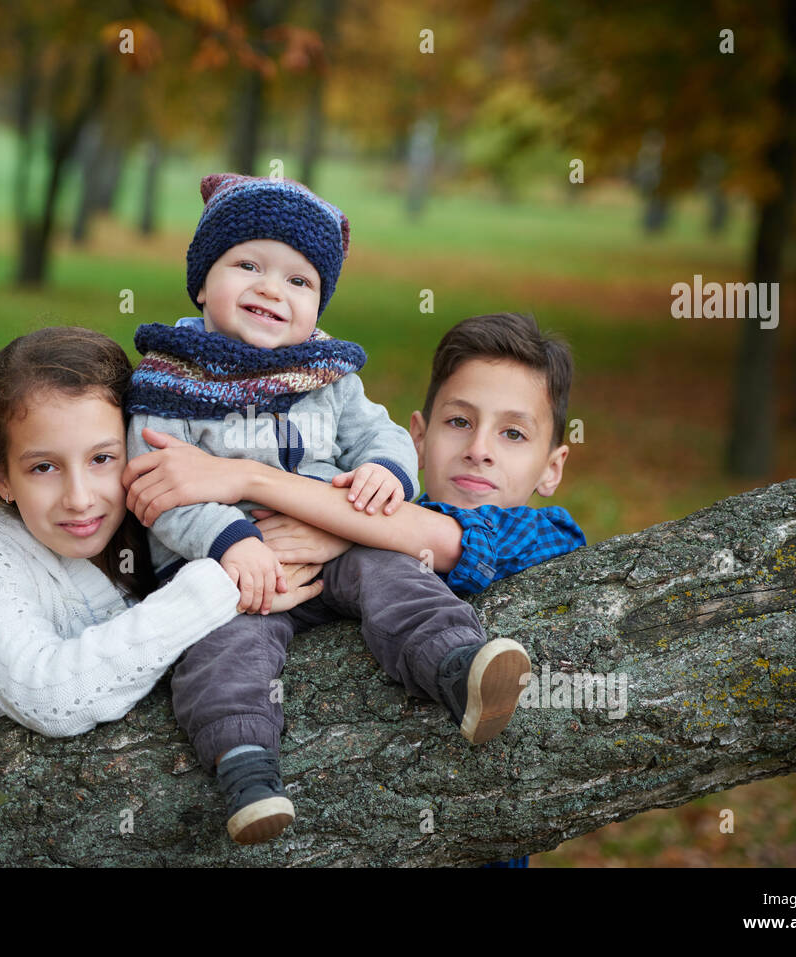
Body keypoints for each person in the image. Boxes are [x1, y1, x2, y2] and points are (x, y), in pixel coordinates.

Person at [124, 175, 534, 845]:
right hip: (223, 572)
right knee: (222, 651)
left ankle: (459, 665)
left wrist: (385, 469)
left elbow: (382, 432)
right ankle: (245, 766)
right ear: (202, 283)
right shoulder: (170, 378)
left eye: (298, 280)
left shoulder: (330, 376)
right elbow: (158, 494)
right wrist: (233, 542)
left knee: (396, 570)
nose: (269, 288)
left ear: (318, 303)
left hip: (332, 547)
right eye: (247, 265)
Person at [125, 312, 588, 864]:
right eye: (459, 422)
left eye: (513, 433)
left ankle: (461, 671)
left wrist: (256, 482)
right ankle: (244, 762)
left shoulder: (548, 535)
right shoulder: (375, 503)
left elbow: (445, 539)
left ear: (552, 467)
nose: (480, 449)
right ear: (417, 436)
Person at [0, 326, 325, 741]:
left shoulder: (173, 521)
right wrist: (224, 586)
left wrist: (329, 531)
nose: (79, 498)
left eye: (102, 458)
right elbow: (48, 697)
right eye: (43, 467)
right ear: (2, 477)